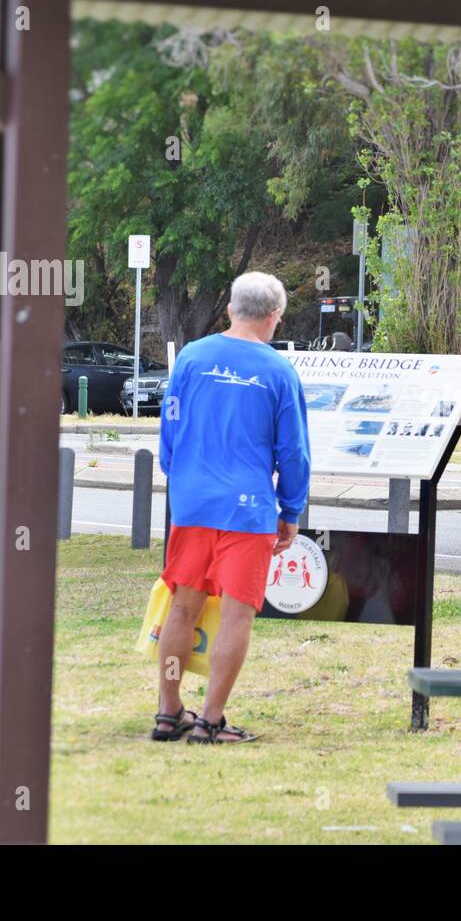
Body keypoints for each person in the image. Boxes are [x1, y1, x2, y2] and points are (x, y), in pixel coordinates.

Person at [151, 271, 311, 744]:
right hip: (248, 509)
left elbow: (171, 425)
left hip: (193, 502)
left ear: (229, 309)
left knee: (183, 609)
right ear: (275, 318)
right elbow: (294, 452)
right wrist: (291, 509)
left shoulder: (191, 358)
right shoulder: (280, 372)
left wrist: (180, 477)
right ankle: (210, 719)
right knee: (238, 614)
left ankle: (167, 712)